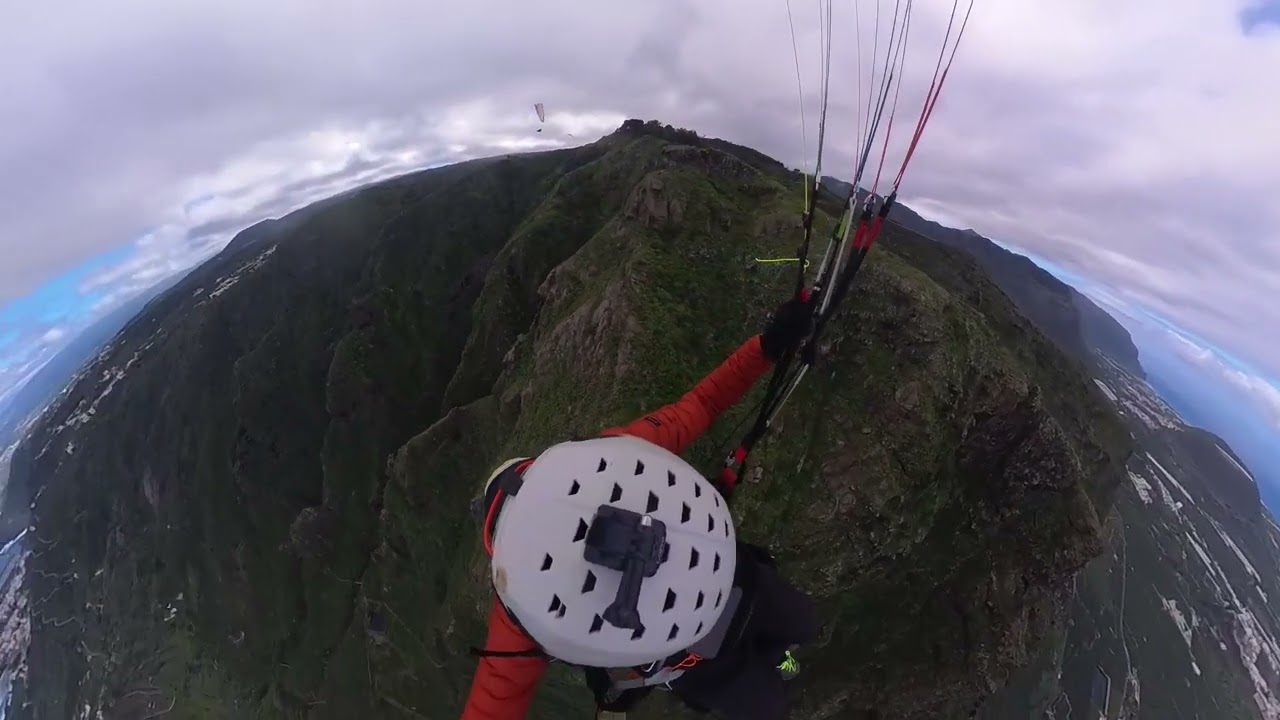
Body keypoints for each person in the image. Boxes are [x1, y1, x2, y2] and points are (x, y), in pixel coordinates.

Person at [462, 300, 820, 720]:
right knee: (802, 628)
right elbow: (701, 404)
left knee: (774, 697)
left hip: (702, 660)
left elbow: (492, 707)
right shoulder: (614, 456)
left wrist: (767, 348)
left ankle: (782, 661)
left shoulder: (517, 616)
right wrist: (768, 346)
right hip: (742, 585)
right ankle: (783, 657)